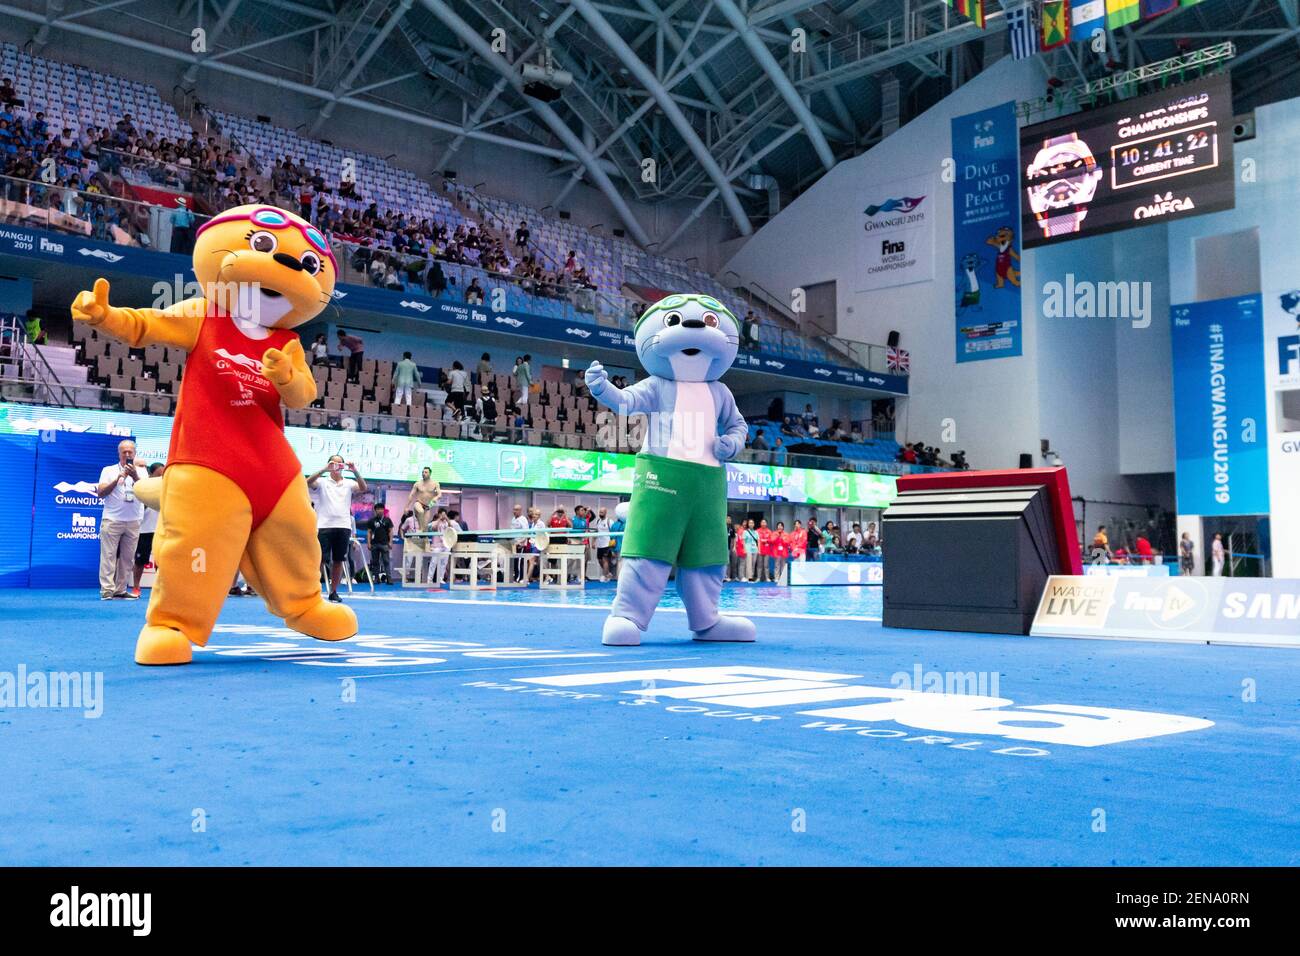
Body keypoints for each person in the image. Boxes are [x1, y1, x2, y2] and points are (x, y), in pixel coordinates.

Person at [308, 455, 367, 602]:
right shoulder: (322, 482)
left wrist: (354, 470)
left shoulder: (348, 483)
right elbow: (307, 482)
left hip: (343, 526)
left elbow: (363, 488)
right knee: (319, 560)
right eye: (334, 463)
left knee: (339, 560)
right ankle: (312, 591)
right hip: (324, 526)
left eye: (340, 464)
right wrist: (324, 469)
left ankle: (333, 591)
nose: (337, 466)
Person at [96, 439, 144, 600]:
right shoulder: (108, 470)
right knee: (108, 556)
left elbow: (147, 493)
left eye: (130, 451)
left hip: (134, 521)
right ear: (119, 454)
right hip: (112, 519)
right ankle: (107, 590)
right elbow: (101, 492)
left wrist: (135, 476)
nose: (127, 454)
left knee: (128, 558)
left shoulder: (142, 472)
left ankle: (120, 589)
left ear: (135, 453)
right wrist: (118, 479)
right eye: (124, 452)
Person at [129, 462, 166, 597]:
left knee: (162, 562)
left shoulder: (167, 487)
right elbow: (138, 508)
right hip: (145, 530)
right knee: (140, 561)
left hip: (163, 529)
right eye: (157, 476)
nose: (160, 479)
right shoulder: (142, 488)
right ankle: (136, 587)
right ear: (150, 475)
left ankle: (160, 589)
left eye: (162, 476)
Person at [404, 467, 446, 531]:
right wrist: (406, 507)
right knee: (421, 511)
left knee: (425, 527)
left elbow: (440, 494)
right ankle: (420, 529)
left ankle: (423, 534)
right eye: (422, 472)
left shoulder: (435, 484)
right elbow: (411, 495)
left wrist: (436, 497)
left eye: (426, 472)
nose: (423, 473)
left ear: (430, 474)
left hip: (427, 507)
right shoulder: (417, 484)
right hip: (418, 503)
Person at [366, 506, 395, 585]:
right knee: (375, 562)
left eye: (381, 509)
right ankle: (376, 579)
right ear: (375, 511)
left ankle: (389, 579)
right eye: (378, 509)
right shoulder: (372, 521)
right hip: (374, 544)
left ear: (383, 510)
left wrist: (391, 542)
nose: (380, 511)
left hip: (385, 544)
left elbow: (390, 531)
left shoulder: (387, 520)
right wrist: (368, 543)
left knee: (386, 561)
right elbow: (369, 532)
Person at [592, 506, 614, 582]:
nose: (600, 514)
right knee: (600, 560)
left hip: (607, 544)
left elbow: (613, 533)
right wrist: (593, 542)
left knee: (605, 560)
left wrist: (613, 546)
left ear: (605, 513)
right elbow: (596, 532)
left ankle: (604, 576)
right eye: (599, 512)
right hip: (600, 544)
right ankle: (608, 573)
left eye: (602, 512)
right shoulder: (597, 521)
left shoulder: (609, 521)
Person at [756, 518, 773, 583]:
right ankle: (758, 578)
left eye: (764, 522)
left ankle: (767, 578)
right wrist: (760, 541)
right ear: (760, 523)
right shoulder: (757, 531)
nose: (763, 523)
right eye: (762, 522)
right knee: (759, 565)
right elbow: (755, 540)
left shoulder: (769, 531)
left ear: (766, 523)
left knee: (766, 565)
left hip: (767, 551)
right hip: (759, 550)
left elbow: (772, 540)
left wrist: (766, 540)